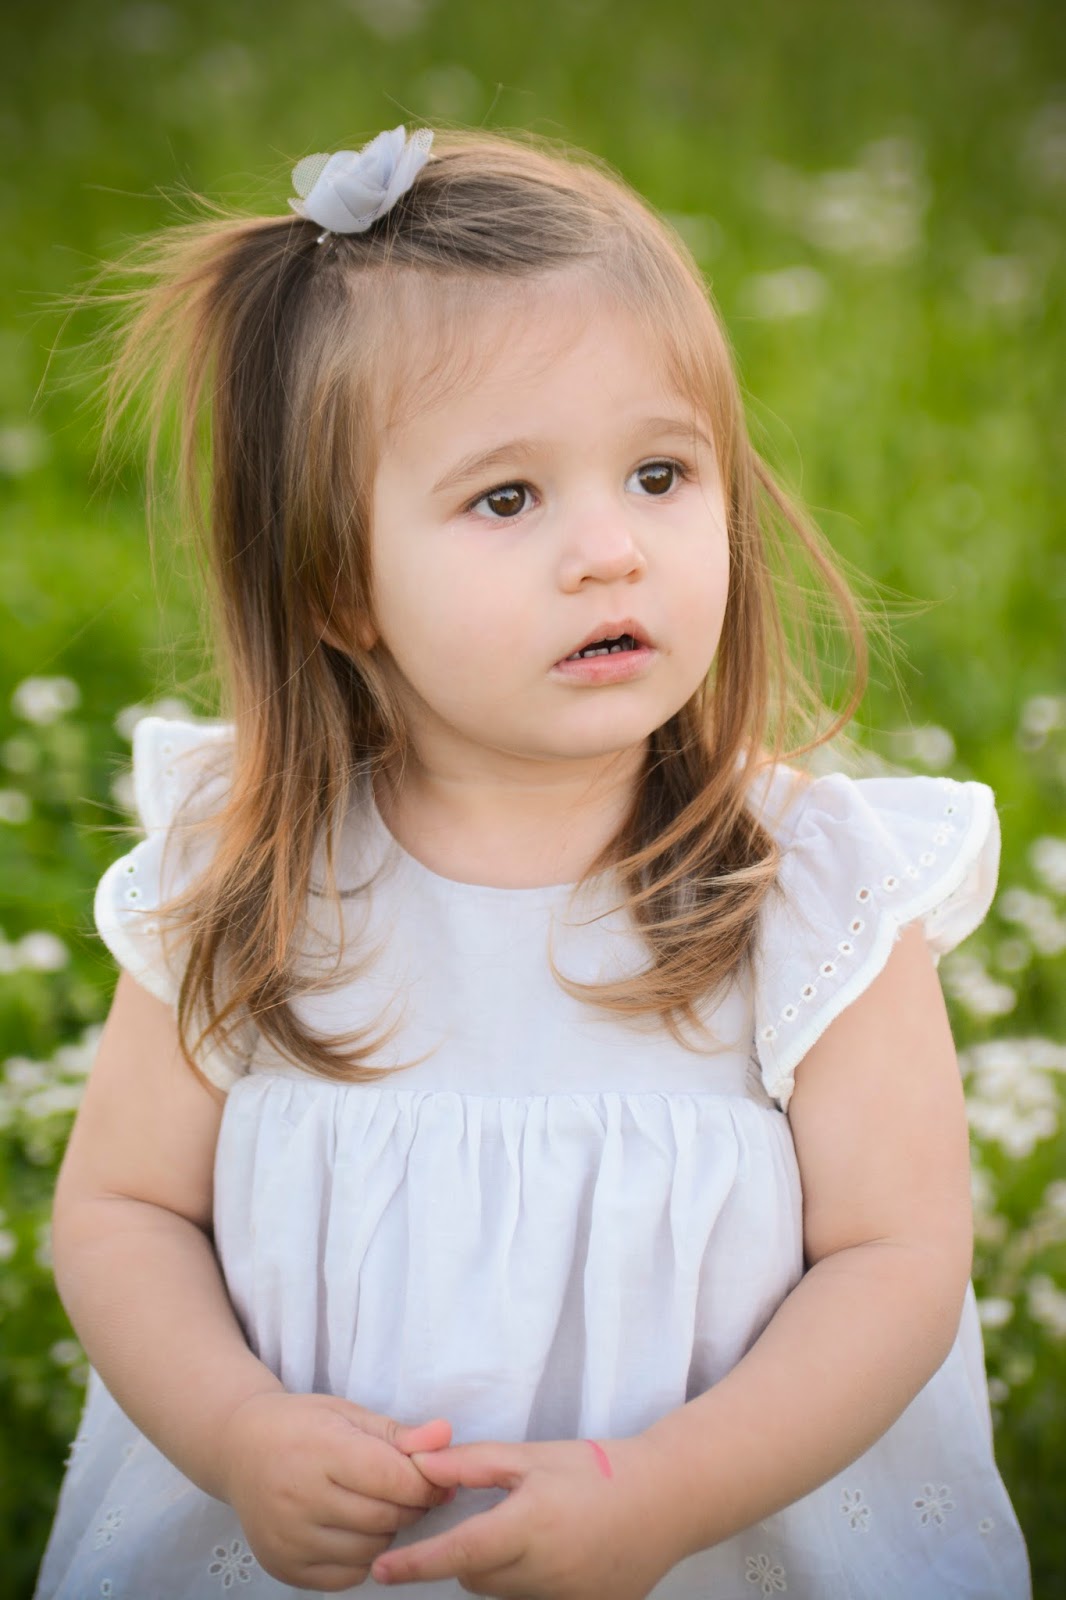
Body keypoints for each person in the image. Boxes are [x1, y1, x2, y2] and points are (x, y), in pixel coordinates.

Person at [34, 125, 1031, 1599]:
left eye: (656, 473)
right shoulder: (252, 872)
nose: (610, 551)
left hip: (710, 1542)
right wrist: (239, 1433)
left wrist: (664, 1492)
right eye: (508, 500)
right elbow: (121, 1214)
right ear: (337, 586)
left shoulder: (806, 886)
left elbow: (895, 1261)